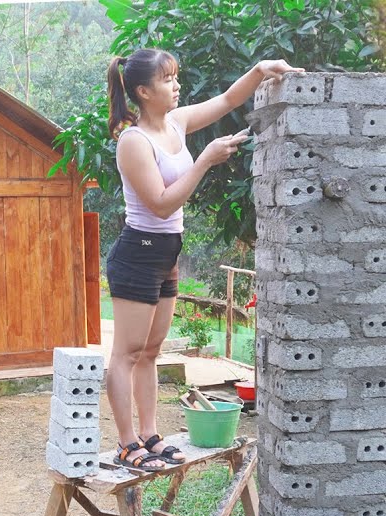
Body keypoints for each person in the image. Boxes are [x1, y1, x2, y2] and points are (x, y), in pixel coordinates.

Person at [104, 49, 302, 469]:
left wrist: (260, 69)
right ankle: (126, 443)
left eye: (176, 76)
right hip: (137, 253)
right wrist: (205, 161)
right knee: (128, 351)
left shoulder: (176, 122)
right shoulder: (133, 142)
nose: (177, 86)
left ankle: (150, 434)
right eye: (168, 80)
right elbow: (160, 204)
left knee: (152, 350)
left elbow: (230, 99)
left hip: (166, 252)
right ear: (143, 91)